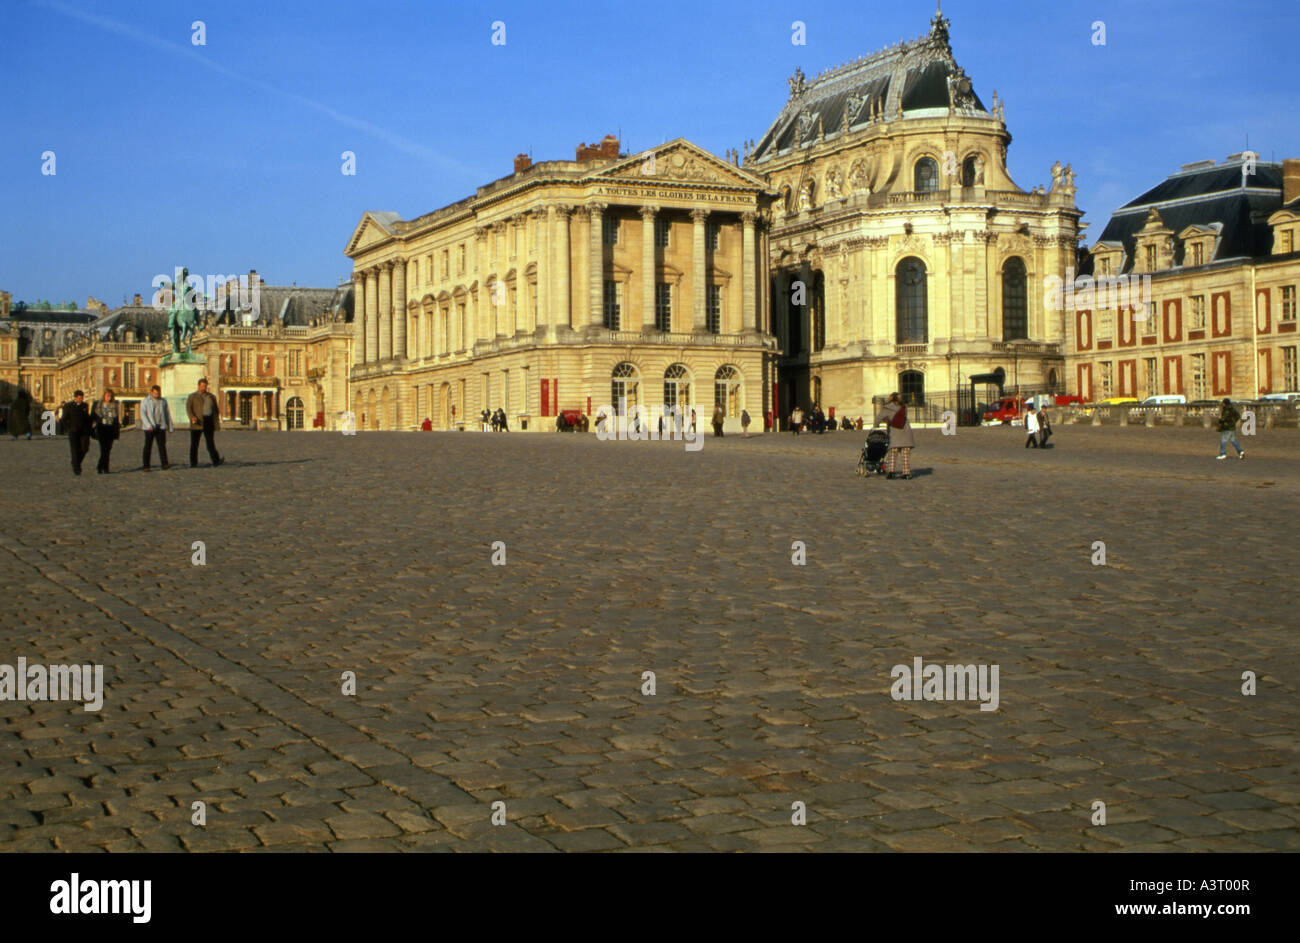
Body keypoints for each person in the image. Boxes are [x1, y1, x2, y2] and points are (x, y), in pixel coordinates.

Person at [875, 392, 915, 479]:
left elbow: (878, 417)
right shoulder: (904, 407)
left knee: (892, 454)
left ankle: (891, 472)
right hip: (906, 433)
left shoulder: (887, 408)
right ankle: (906, 473)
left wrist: (876, 425)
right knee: (905, 455)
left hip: (895, 432)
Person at [186, 377, 222, 468]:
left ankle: (216, 461)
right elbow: (189, 409)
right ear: (198, 386)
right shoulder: (192, 396)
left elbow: (215, 410)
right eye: (202, 386)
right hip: (197, 421)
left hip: (208, 421)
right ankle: (193, 463)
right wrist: (192, 417)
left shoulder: (211, 396)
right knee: (194, 444)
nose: (203, 388)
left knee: (210, 443)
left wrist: (216, 421)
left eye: (205, 386)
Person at [139, 385, 173, 470]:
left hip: (160, 425)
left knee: (162, 446)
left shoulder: (163, 401)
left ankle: (164, 463)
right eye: (155, 393)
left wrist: (170, 426)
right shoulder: (145, 401)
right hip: (150, 427)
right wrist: (148, 425)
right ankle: (146, 465)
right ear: (151, 392)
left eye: (158, 393)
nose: (157, 395)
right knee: (148, 446)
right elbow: (143, 414)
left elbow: (167, 414)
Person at [91, 388, 121, 473]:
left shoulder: (114, 405)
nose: (109, 398)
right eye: (107, 396)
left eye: (110, 396)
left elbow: (116, 419)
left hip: (110, 429)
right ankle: (103, 467)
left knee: (108, 449)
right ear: (104, 396)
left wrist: (117, 432)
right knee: (103, 449)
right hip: (102, 428)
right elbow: (94, 416)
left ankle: (102, 466)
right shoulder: (98, 405)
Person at [61, 390, 92, 475]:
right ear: (75, 397)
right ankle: (76, 468)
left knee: (85, 448)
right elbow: (64, 419)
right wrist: (69, 428)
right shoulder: (68, 406)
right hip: (73, 431)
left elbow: (87, 418)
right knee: (74, 449)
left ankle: (76, 462)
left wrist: (89, 428)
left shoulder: (85, 405)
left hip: (84, 431)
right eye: (79, 398)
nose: (81, 399)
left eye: (82, 398)